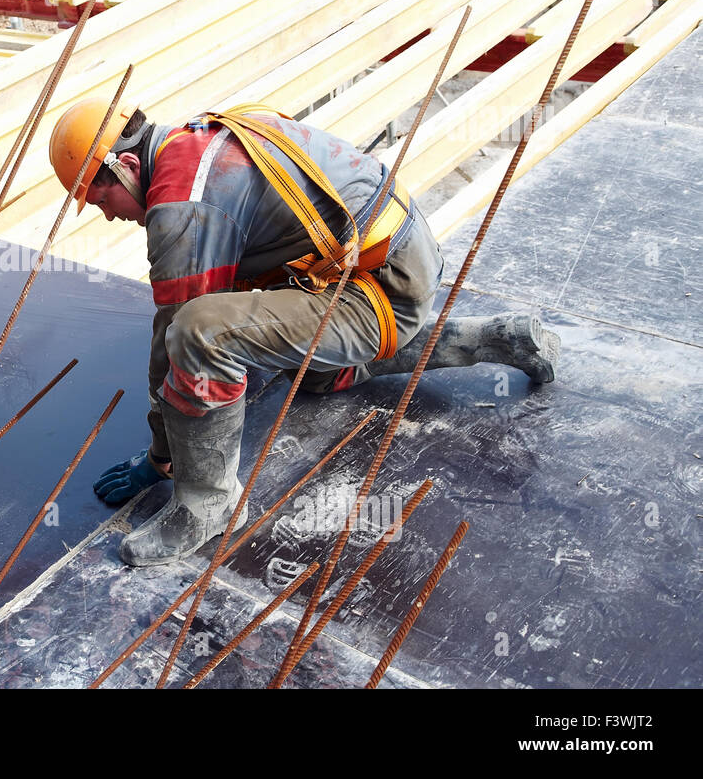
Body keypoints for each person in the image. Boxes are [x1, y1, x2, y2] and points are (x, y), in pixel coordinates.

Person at [48, 99, 560, 566]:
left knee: (200, 335)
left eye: (101, 201)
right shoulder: (201, 136)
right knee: (305, 370)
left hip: (376, 289)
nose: (110, 215)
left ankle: (209, 505)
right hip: (386, 265)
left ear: (127, 167)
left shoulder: (184, 203)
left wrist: (162, 457)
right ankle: (498, 338)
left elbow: (173, 340)